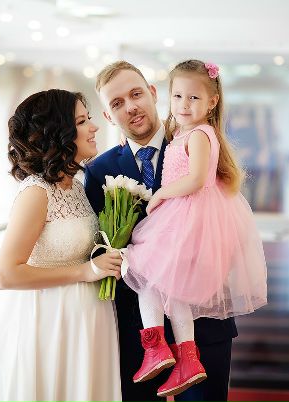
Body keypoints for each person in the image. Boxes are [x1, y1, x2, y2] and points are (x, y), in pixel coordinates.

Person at [85, 60, 237, 402]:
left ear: (153, 93)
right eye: (117, 103)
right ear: (108, 116)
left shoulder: (195, 137)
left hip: (203, 320)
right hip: (138, 332)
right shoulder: (98, 171)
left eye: (136, 94)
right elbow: (96, 243)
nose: (131, 106)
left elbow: (224, 213)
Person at [122, 59, 268, 398]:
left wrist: (161, 194)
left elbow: (197, 179)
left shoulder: (201, 135)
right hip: (182, 215)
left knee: (145, 270)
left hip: (188, 215)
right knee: (167, 286)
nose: (184, 105)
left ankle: (160, 348)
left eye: (193, 98)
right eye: (177, 96)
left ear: (212, 102)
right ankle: (179, 355)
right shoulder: (181, 134)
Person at [0, 89, 123, 402]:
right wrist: (85, 271)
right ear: (59, 132)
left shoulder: (76, 186)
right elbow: (5, 274)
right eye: (82, 121)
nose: (94, 127)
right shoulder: (36, 192)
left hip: (86, 320)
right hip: (49, 322)